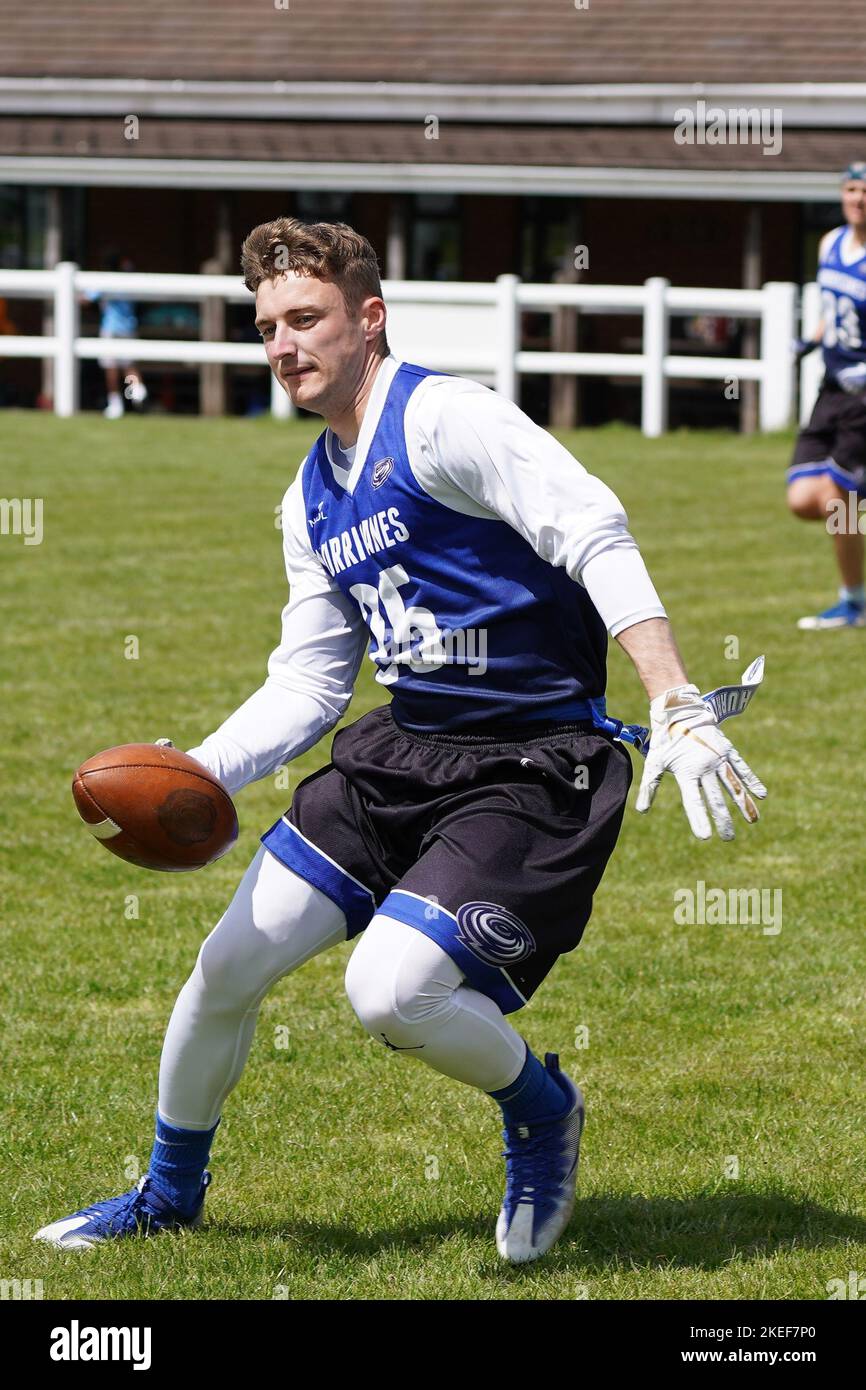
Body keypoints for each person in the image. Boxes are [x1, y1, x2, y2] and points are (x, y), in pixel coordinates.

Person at [34, 219, 766, 1264]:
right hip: (404, 750)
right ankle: (167, 1195)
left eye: (306, 320)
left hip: (527, 765)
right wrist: (202, 769)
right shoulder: (308, 494)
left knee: (389, 991)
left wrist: (674, 696)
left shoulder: (444, 419)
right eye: (267, 328)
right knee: (225, 967)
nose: (285, 345)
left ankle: (540, 1105)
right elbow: (310, 678)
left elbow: (591, 525)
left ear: (367, 318)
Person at [789, 162, 866, 629]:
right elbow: (831, 311)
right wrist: (812, 339)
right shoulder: (829, 243)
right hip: (830, 390)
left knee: (840, 501)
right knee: (802, 499)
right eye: (853, 189)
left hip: (863, 399)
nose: (859, 198)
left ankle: (852, 603)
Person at [83, 251, 148, 420]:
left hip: (111, 328)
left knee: (111, 367)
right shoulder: (129, 280)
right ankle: (137, 391)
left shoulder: (106, 280)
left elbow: (88, 298)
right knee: (129, 365)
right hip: (129, 326)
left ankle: (115, 402)